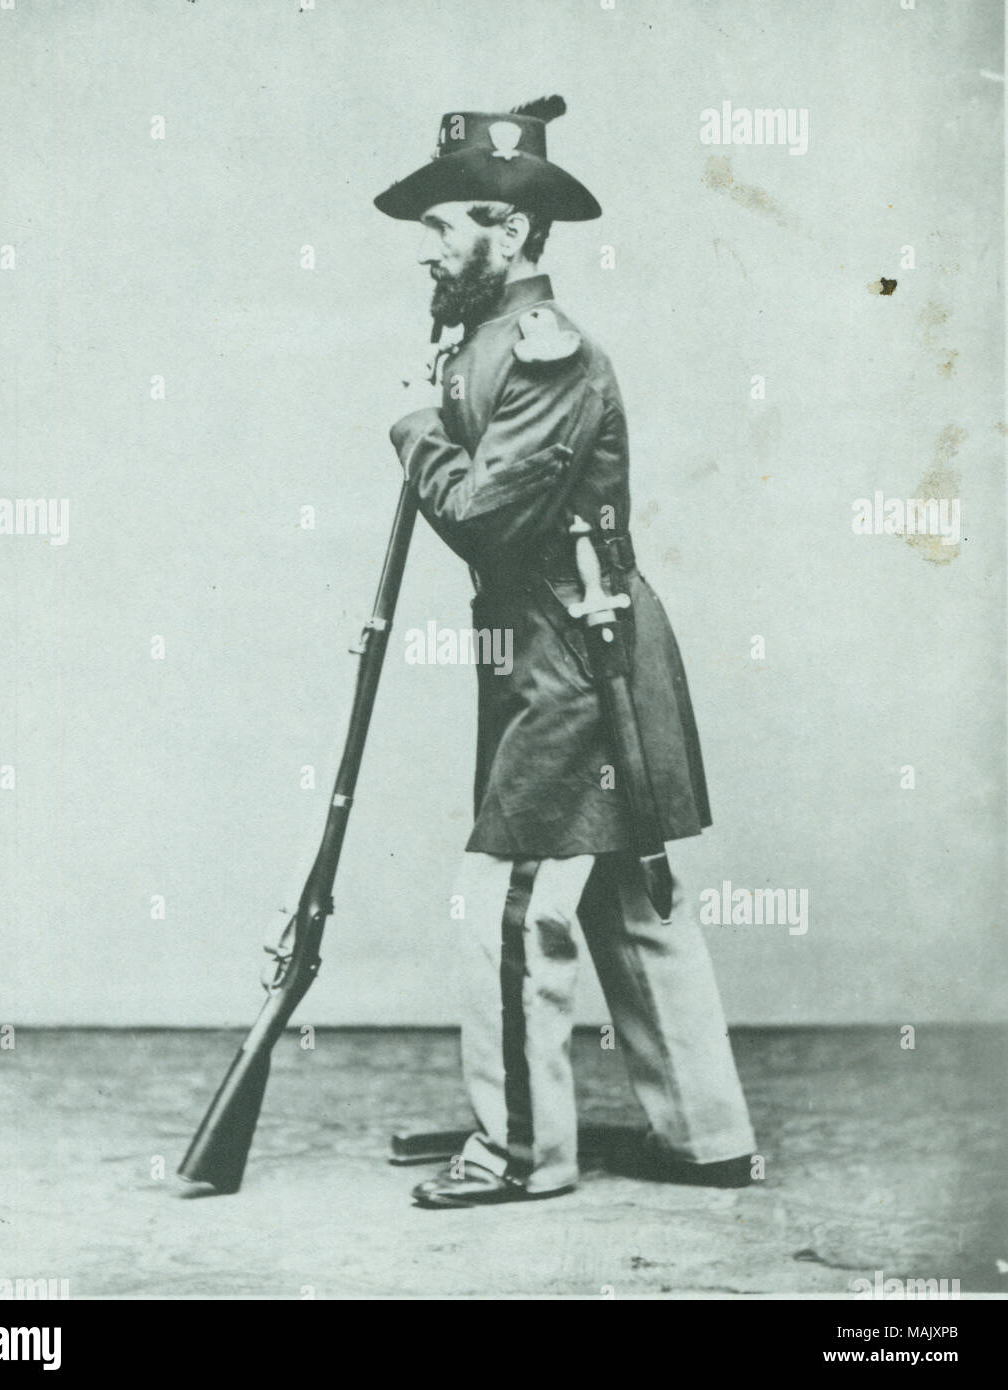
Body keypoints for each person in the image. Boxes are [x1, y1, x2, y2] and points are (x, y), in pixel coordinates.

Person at [376, 98, 755, 1208]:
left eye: (447, 227)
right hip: (562, 647)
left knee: (513, 897)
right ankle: (707, 1133)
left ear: (508, 228)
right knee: (624, 896)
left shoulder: (550, 350)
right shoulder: (483, 341)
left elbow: (490, 518)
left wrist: (412, 430)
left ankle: (519, 1152)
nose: (430, 247)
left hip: (576, 659)